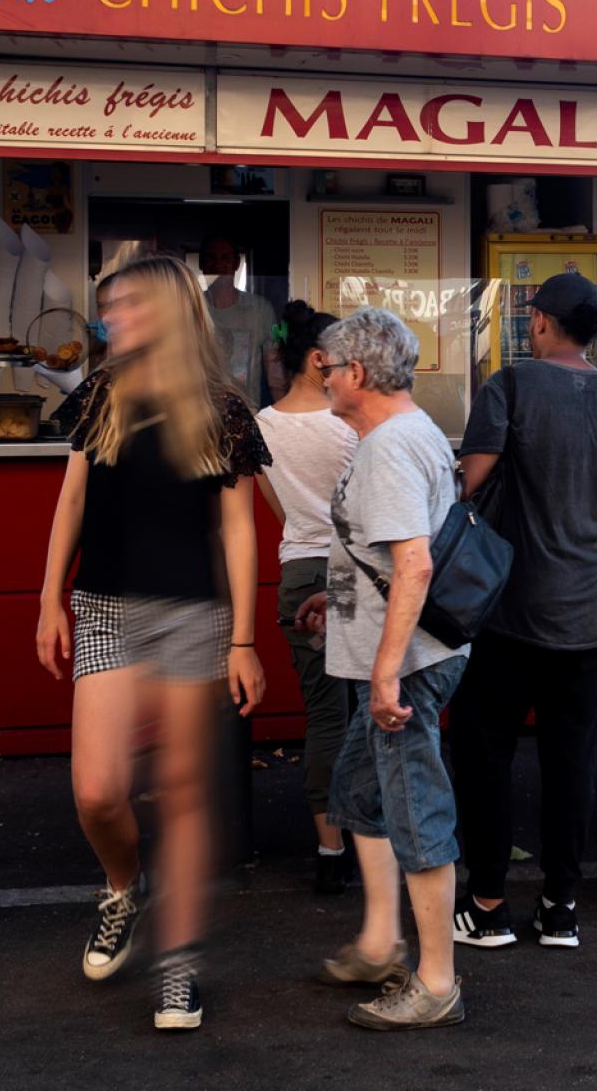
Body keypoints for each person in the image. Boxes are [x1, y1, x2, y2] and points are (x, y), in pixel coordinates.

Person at [34, 254, 268, 1031]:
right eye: (112, 307)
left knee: (182, 792)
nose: (113, 318)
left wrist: (243, 639)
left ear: (169, 311)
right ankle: (123, 887)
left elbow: (239, 528)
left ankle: (180, 965)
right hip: (104, 607)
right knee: (97, 791)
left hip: (193, 614)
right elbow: (72, 499)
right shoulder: (100, 393)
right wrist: (49, 597)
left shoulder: (224, 409)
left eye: (129, 304)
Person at [453, 271, 597, 951]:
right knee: (570, 761)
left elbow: (468, 483)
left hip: (509, 612)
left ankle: (488, 906)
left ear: (540, 321)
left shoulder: (508, 388)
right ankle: (560, 909)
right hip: (591, 616)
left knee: (486, 751)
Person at [299, 308, 469, 1031]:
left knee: (413, 809)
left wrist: (386, 674)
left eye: (328, 368)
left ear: (358, 374)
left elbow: (415, 563)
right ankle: (379, 944)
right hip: (402, 655)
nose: (323, 379)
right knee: (360, 795)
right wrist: (334, 595)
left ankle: (436, 983)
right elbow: (386, 552)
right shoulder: (404, 433)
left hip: (406, 667)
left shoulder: (390, 447)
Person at [256, 300, 358, 895]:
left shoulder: (261, 425)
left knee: (324, 714)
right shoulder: (349, 423)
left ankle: (329, 849)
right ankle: (372, 836)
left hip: (298, 572)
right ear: (320, 359)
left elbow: (280, 510)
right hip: (356, 572)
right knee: (371, 705)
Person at [199, 233, 280, 408]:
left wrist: (282, 411)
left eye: (225, 257)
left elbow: (273, 365)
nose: (217, 264)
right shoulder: (191, 308)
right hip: (200, 414)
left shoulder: (260, 309)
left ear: (236, 263)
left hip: (247, 413)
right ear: (201, 263)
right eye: (211, 257)